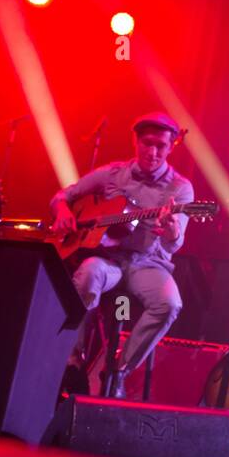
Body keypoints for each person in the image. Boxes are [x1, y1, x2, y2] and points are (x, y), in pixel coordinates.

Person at [50, 112, 195, 399]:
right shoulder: (112, 174)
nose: (152, 152)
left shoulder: (180, 188)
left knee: (170, 304)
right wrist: (64, 211)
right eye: (147, 143)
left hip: (149, 262)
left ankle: (118, 369)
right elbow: (61, 196)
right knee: (88, 272)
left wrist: (170, 232)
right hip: (109, 259)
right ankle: (72, 361)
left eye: (161, 146)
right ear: (136, 141)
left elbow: (174, 245)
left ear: (171, 147)